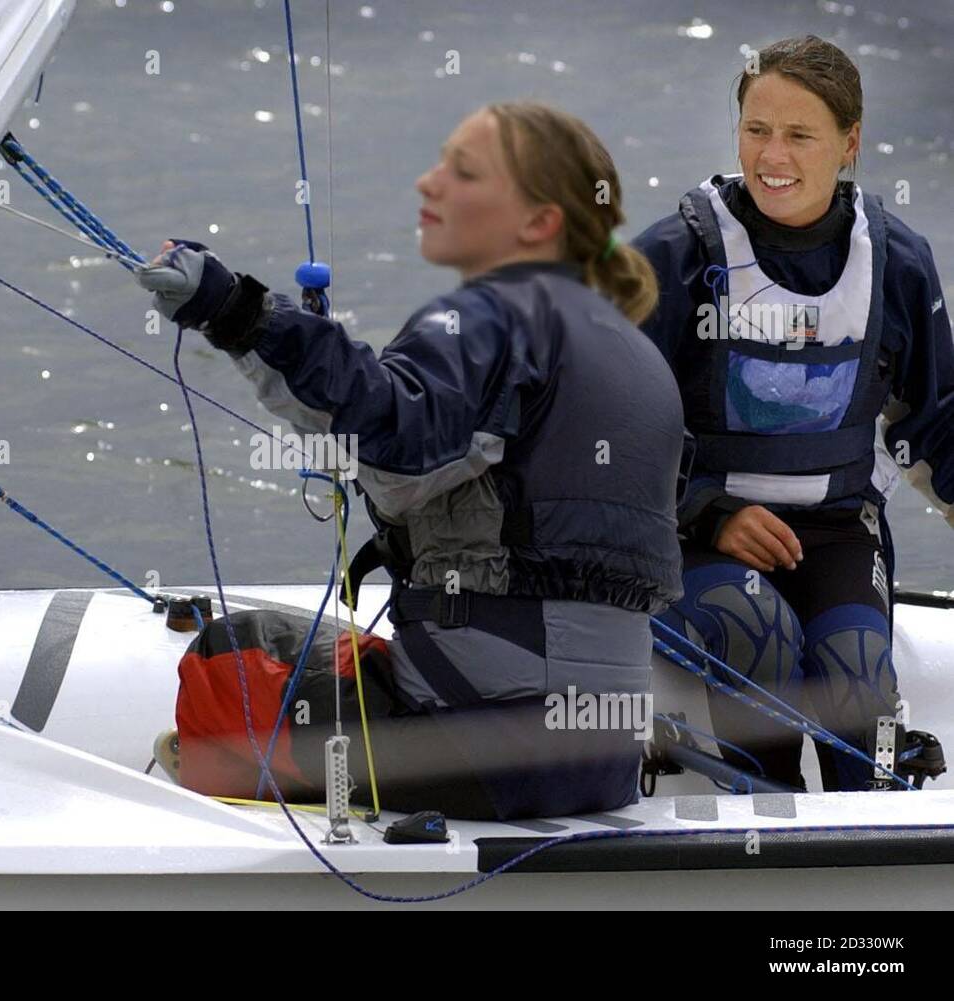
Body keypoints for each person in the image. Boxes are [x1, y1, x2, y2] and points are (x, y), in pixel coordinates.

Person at [139, 102, 685, 821]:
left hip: (489, 749)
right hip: (603, 754)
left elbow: (388, 426)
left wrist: (236, 312)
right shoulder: (639, 355)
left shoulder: (494, 321)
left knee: (223, 657)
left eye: (463, 173)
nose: (431, 184)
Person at [633, 35, 954, 792]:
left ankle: (866, 853)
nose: (772, 154)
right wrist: (707, 513)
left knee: (857, 674)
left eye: (799, 135)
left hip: (837, 530)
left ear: (849, 144)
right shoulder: (675, 257)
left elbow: (937, 426)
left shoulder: (898, 262)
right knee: (759, 631)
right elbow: (601, 431)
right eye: (756, 130)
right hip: (695, 537)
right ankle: (766, 828)